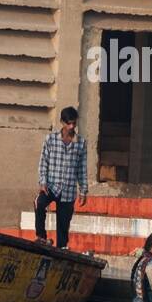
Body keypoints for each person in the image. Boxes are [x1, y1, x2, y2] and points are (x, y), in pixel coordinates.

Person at [34, 105, 87, 249]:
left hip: (68, 190)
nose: (71, 126)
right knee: (39, 203)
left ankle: (61, 250)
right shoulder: (50, 139)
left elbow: (82, 169)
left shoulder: (81, 143)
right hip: (51, 185)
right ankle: (41, 236)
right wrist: (43, 182)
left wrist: (83, 191)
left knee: (63, 227)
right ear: (62, 122)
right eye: (69, 123)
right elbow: (43, 162)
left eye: (74, 123)